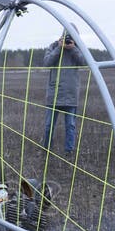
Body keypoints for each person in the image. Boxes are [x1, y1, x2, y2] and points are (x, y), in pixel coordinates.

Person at [43, 26, 85, 156]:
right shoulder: (54, 46)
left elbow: (84, 61)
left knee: (70, 126)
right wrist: (59, 48)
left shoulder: (78, 48)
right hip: (54, 94)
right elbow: (47, 62)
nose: (68, 40)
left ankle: (69, 151)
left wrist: (73, 49)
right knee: (49, 125)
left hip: (71, 95)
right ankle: (47, 149)